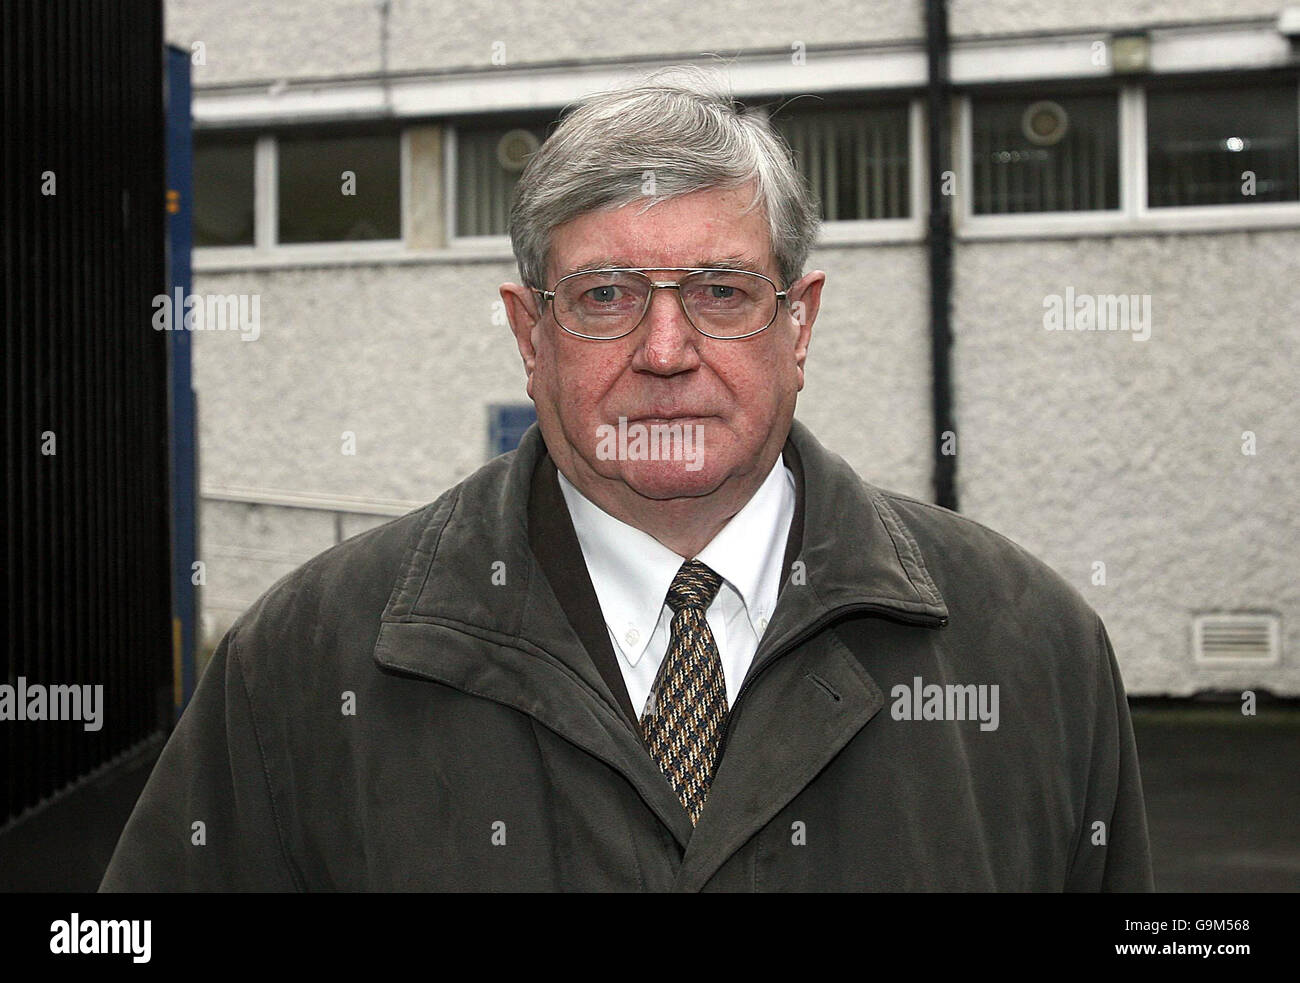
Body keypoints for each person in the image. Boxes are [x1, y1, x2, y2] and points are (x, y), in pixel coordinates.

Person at [100, 67, 1153, 891]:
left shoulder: (1030, 648)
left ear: (800, 323)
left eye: (721, 289)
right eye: (604, 293)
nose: (664, 348)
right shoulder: (302, 662)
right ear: (530, 333)